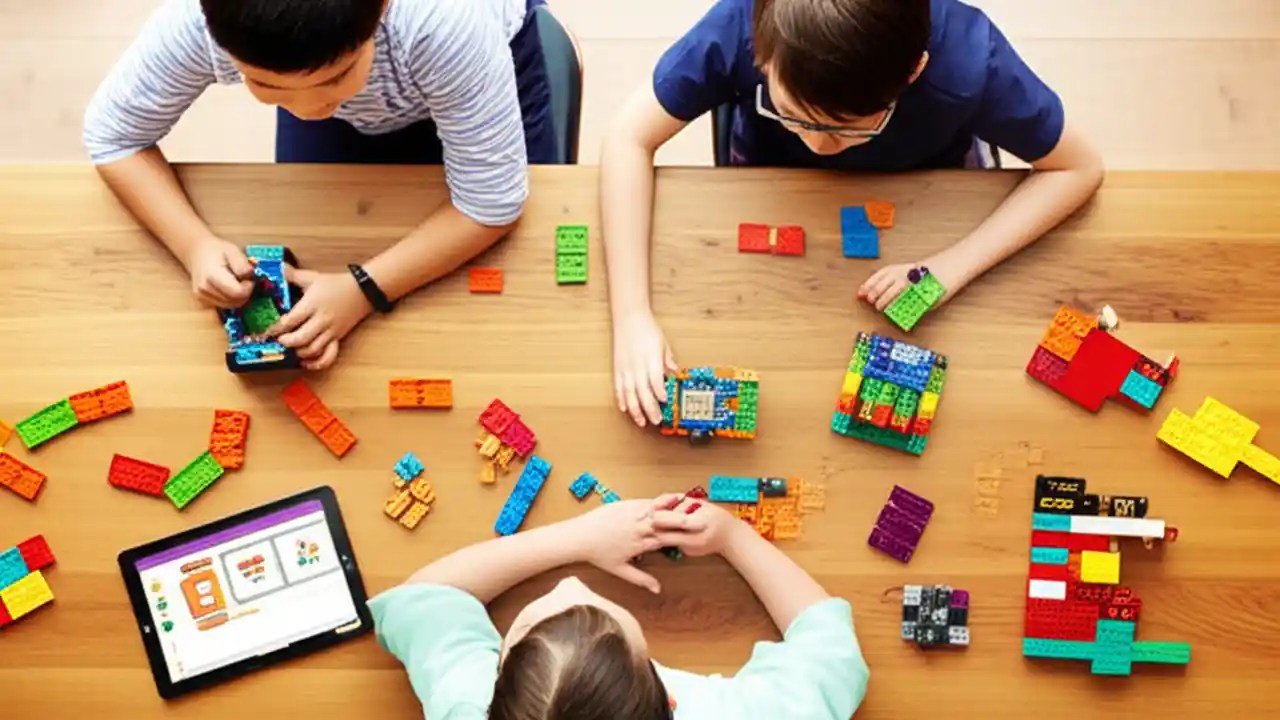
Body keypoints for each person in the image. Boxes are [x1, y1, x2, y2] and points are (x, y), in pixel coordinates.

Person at [600, 0, 1105, 426]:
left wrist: (951, 268)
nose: (820, 146)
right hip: (770, 184)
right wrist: (631, 317)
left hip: (928, 190)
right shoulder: (744, 23)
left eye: (849, 128)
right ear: (761, 52)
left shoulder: (971, 62)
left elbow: (1078, 168)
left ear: (914, 71)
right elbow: (628, 136)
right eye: (792, 114)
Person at [84, 0, 556, 370]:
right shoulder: (206, 23)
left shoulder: (447, 25)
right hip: (358, 60)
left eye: (337, 77)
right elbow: (112, 135)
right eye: (266, 87)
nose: (309, 109)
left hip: (480, 56)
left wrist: (364, 290)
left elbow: (492, 203)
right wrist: (194, 246)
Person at [370, 494, 869, 719]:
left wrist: (575, 537)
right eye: (602, 609)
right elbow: (831, 654)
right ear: (667, 699)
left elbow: (426, 600)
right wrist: (734, 537)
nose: (570, 584)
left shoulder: (465, 706)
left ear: (492, 695)